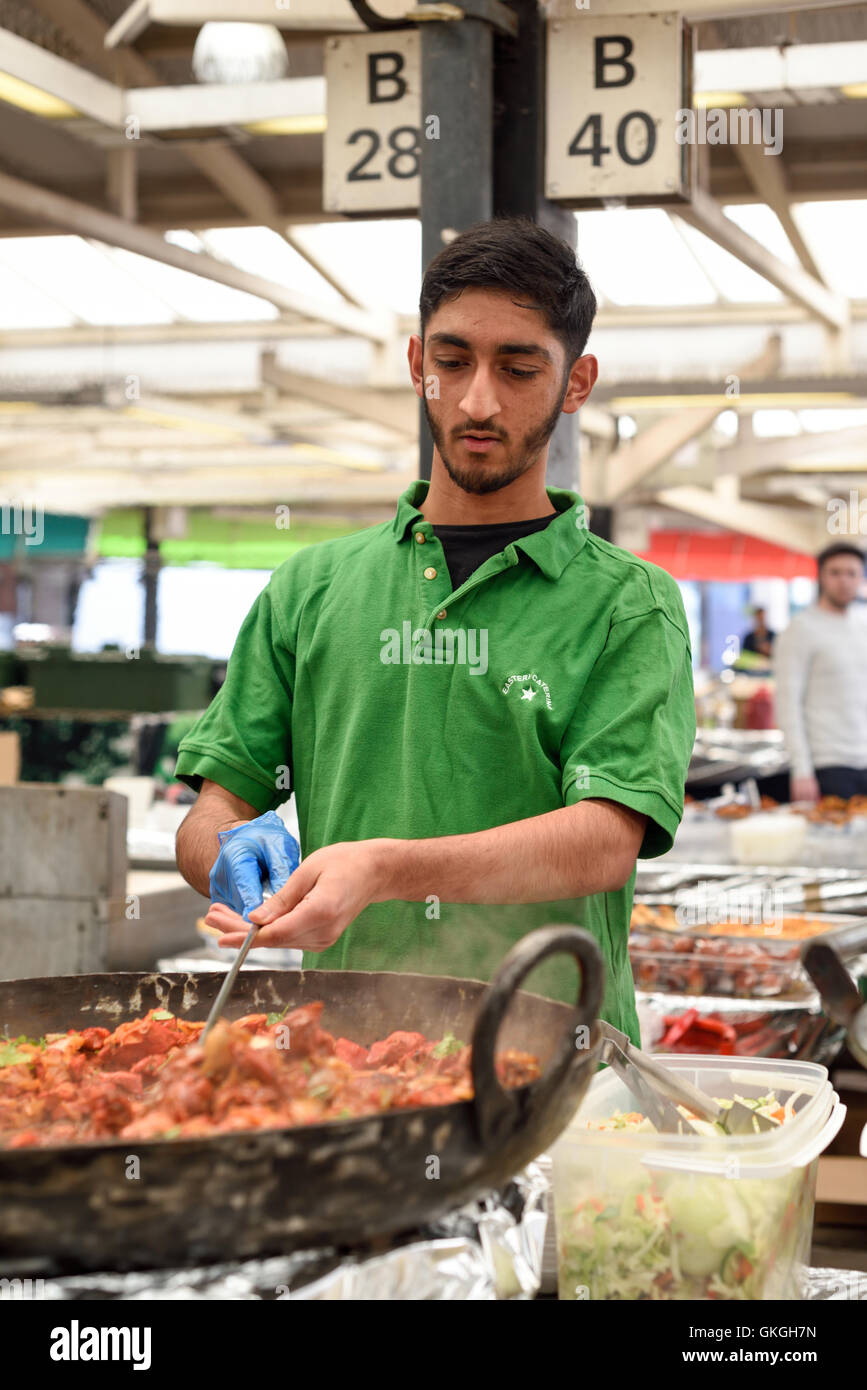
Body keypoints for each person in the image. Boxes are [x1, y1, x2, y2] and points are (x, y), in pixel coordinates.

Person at [174, 217, 696, 1043]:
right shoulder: (312, 588)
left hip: (549, 1068)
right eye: (451, 363)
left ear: (576, 382)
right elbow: (213, 812)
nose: (477, 400)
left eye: (518, 368)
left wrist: (382, 868)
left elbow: (603, 839)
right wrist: (226, 854)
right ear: (418, 365)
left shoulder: (627, 605)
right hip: (343, 1061)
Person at [774, 542, 867, 802]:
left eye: (852, 573)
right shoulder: (800, 629)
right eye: (835, 572)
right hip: (827, 764)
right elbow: (787, 704)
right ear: (821, 576)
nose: (844, 581)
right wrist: (801, 770)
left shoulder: (863, 624)